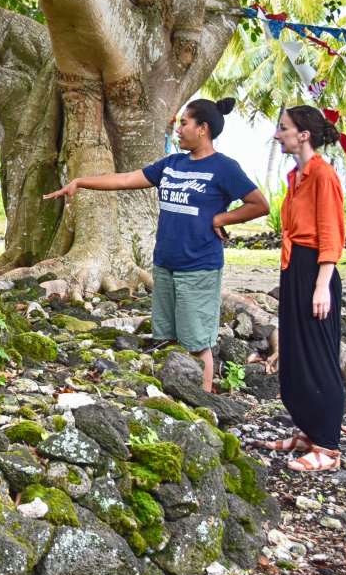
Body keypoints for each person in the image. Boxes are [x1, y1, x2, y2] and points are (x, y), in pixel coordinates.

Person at [44, 98, 269, 391]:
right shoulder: (172, 164)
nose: (178, 130)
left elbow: (258, 204)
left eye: (184, 123)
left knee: (198, 340)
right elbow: (125, 179)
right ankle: (178, 392)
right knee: (170, 334)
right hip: (165, 264)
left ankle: (203, 400)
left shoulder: (224, 167)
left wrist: (220, 219)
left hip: (198, 267)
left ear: (203, 129)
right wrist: (81, 181)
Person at [260, 105, 345, 472]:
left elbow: (331, 233)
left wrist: (322, 285)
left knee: (319, 357)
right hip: (294, 270)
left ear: (304, 134)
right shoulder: (297, 175)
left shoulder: (323, 175)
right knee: (295, 354)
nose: (278, 135)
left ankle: (327, 448)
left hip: (316, 273)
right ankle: (308, 433)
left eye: (284, 128)